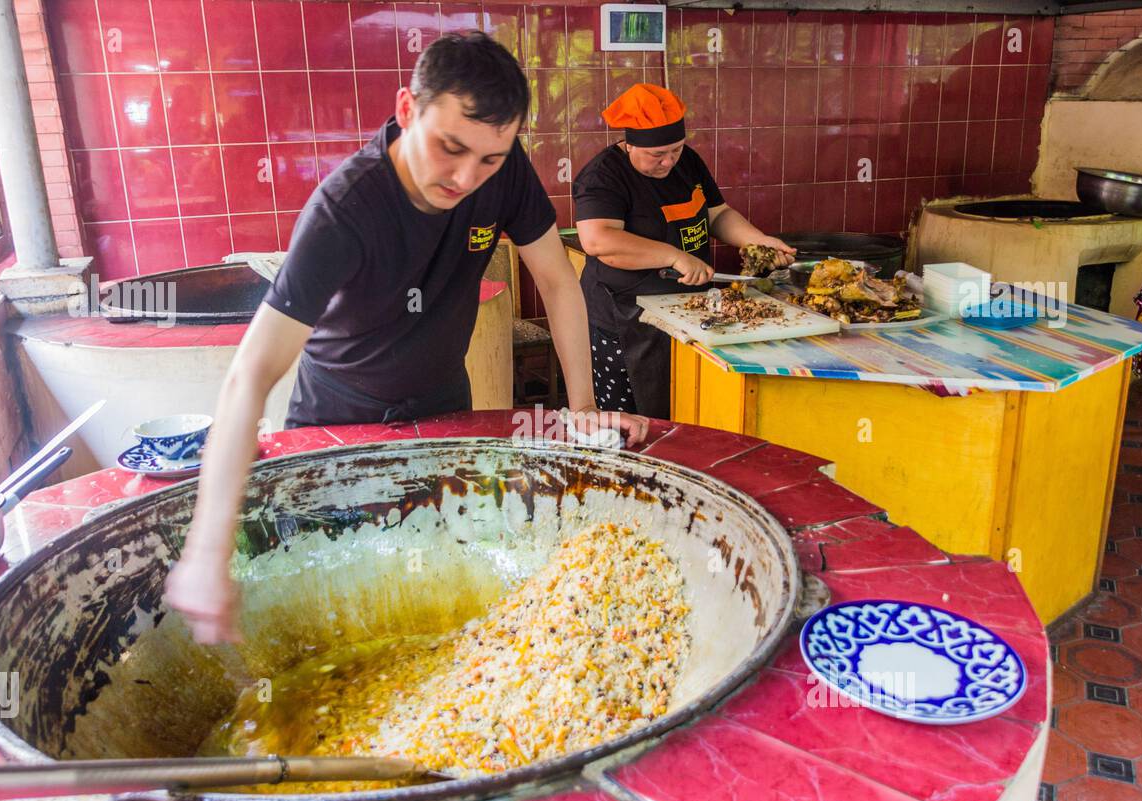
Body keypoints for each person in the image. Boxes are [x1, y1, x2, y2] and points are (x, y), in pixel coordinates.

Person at [165, 32, 647, 645]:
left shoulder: (502, 168)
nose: (466, 177)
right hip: (339, 418)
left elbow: (556, 279)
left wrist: (580, 409)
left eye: (489, 160)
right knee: (336, 610)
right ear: (407, 110)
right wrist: (207, 551)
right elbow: (250, 375)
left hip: (445, 404)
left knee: (447, 599)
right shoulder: (345, 209)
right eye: (450, 148)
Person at [573, 83, 795, 418]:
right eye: (657, 155)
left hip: (687, 313)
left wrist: (757, 240)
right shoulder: (604, 175)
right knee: (628, 423)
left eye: (675, 150)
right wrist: (674, 256)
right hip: (624, 318)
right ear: (630, 144)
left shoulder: (687, 162)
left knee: (685, 412)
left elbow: (717, 214)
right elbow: (598, 241)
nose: (668, 161)